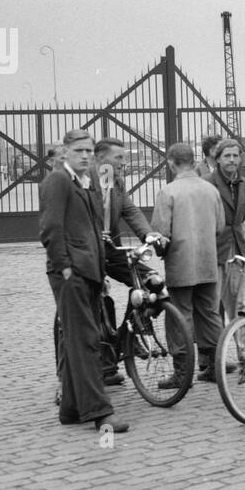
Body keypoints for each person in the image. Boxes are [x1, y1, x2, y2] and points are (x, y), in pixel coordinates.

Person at [39, 129, 129, 433]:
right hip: (71, 274)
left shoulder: (86, 182)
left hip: (89, 271)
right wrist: (64, 267)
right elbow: (51, 228)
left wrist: (100, 272)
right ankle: (100, 412)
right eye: (79, 150)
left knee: (78, 340)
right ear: (65, 151)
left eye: (89, 151)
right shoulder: (58, 180)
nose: (85, 156)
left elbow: (95, 231)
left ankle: (71, 409)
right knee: (86, 342)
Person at [92, 137, 164, 387]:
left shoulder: (117, 182)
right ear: (100, 158)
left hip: (112, 248)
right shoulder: (85, 182)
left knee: (152, 282)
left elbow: (130, 210)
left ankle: (128, 336)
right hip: (90, 249)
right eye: (119, 158)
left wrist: (148, 234)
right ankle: (104, 365)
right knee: (100, 302)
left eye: (124, 157)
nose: (124, 162)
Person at [152, 142, 225, 385]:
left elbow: (161, 233)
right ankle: (215, 365)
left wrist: (161, 251)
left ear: (171, 163)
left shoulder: (168, 192)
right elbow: (220, 227)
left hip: (180, 262)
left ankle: (182, 374)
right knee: (209, 313)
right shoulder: (210, 190)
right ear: (193, 161)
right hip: (208, 260)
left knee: (179, 316)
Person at [207, 138, 245, 321]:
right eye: (227, 156)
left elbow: (242, 216)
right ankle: (217, 339)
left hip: (238, 249)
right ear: (218, 159)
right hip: (216, 250)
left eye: (235, 156)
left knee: (238, 304)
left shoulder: (244, 183)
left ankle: (241, 339)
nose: (232, 160)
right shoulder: (207, 183)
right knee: (213, 304)